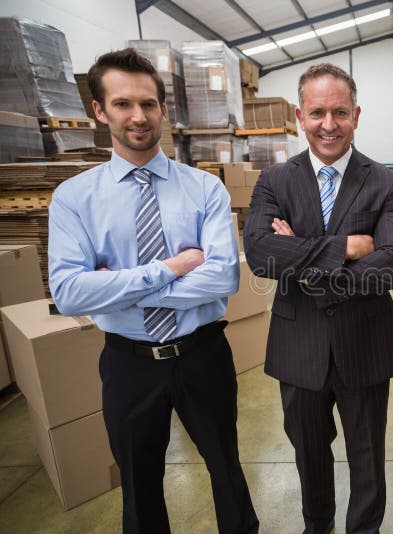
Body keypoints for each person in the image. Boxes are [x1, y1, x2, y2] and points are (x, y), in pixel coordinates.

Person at [47, 49, 258, 534]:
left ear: (164, 109)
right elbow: (70, 293)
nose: (137, 116)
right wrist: (170, 268)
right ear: (100, 111)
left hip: (203, 355)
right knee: (139, 487)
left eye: (147, 104)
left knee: (226, 468)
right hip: (129, 364)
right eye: (122, 104)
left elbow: (223, 278)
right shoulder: (74, 199)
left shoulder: (204, 189)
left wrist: (115, 286)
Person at [243, 63, 393, 534]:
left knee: (368, 459)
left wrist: (302, 261)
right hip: (299, 346)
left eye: (340, 112)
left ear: (356, 115)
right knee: (309, 455)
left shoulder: (385, 182)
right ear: (300, 116)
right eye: (317, 112)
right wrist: (348, 248)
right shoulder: (274, 181)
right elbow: (260, 254)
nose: (328, 124)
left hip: (366, 344)